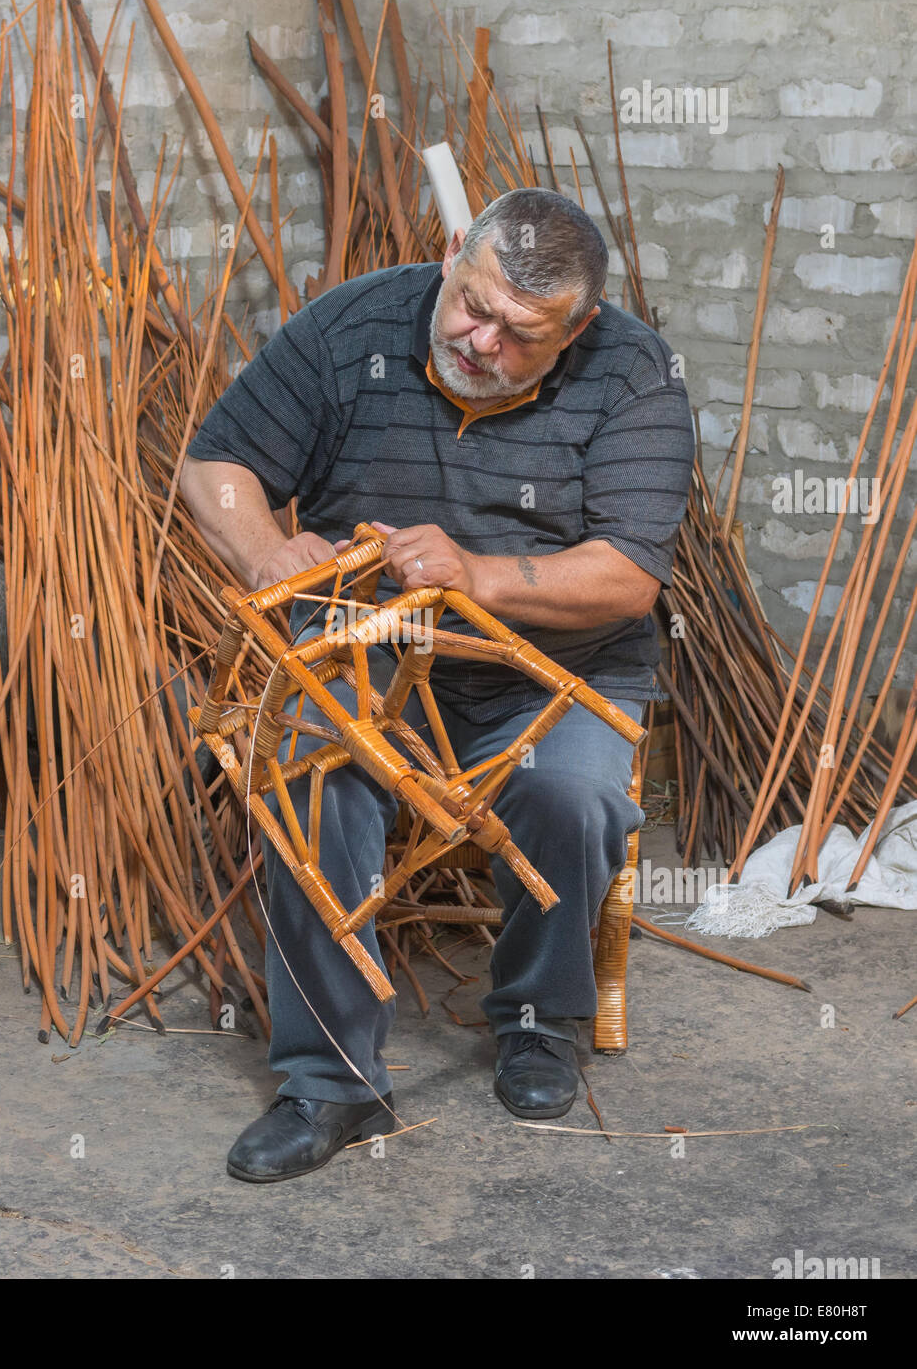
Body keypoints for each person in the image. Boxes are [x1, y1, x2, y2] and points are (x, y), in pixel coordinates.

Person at [180, 188, 696, 1183]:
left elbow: (628, 576)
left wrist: (476, 572)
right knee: (312, 775)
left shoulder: (632, 373)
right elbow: (215, 464)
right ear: (455, 253)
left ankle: (540, 1020)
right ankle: (329, 1081)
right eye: (472, 303)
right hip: (365, 639)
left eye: (520, 334)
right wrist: (263, 553)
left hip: (554, 657)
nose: (479, 340)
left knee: (571, 790)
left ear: (575, 329)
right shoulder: (350, 325)